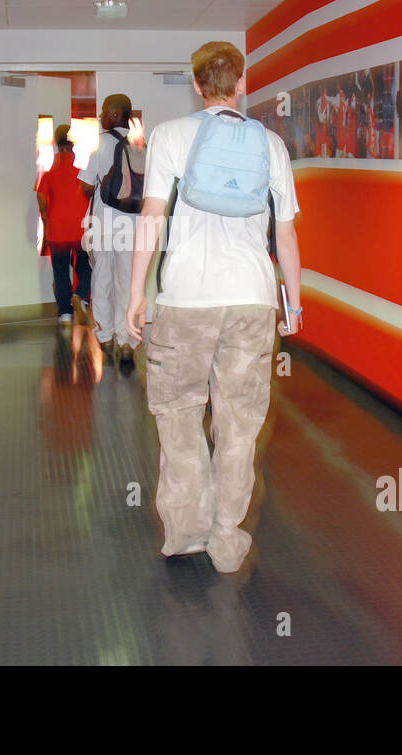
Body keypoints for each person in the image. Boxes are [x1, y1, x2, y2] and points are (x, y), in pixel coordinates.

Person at [126, 41, 302, 575]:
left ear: (198, 85)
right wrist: (292, 302)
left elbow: (152, 217)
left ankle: (186, 534)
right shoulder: (271, 144)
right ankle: (227, 538)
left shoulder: (171, 135)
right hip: (252, 298)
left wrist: (138, 292)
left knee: (178, 417)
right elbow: (287, 236)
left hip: (186, 300)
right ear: (241, 83)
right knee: (239, 423)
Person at [80, 93, 138, 371]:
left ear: (115, 113)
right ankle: (128, 340)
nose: (102, 115)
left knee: (102, 275)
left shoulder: (101, 144)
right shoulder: (141, 144)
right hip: (134, 223)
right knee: (128, 279)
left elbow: (86, 186)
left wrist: (102, 184)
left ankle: (105, 336)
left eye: (104, 110)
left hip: (105, 222)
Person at [36, 124, 91, 323]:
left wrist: (47, 218)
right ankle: (81, 296)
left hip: (57, 230)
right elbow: (90, 192)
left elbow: (41, 199)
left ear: (58, 145)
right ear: (72, 144)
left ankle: (65, 313)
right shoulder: (81, 169)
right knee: (86, 266)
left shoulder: (50, 172)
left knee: (60, 270)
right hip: (81, 229)